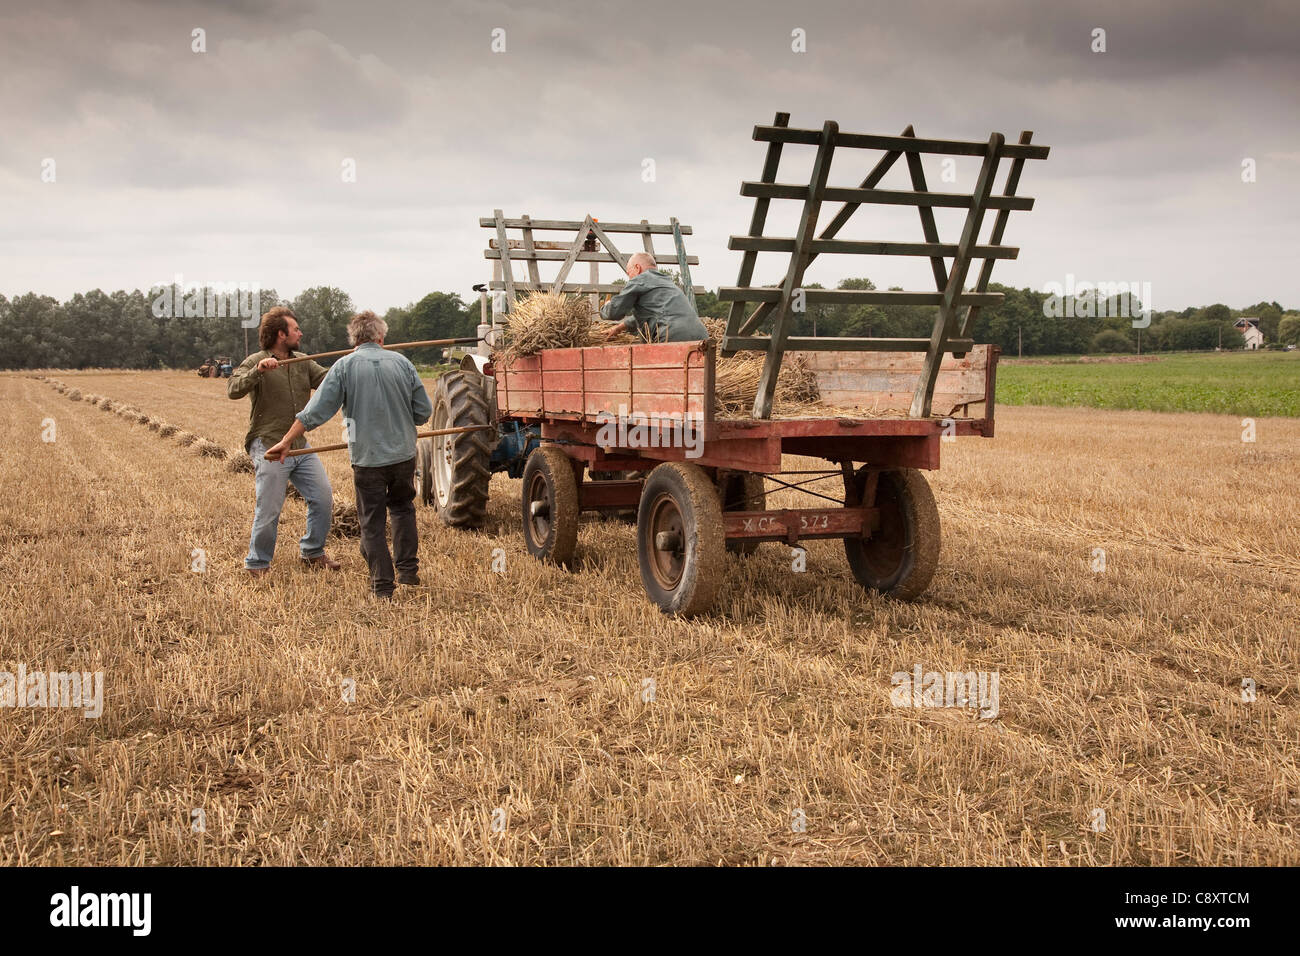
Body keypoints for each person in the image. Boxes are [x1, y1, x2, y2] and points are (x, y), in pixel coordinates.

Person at [265, 311, 432, 600]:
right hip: (404, 455)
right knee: (403, 510)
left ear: (354, 339)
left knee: (372, 520)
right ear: (381, 337)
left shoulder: (344, 366)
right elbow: (423, 412)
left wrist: (286, 441)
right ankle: (408, 572)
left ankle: (383, 585)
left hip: (368, 459)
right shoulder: (403, 363)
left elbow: (316, 411)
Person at [228, 308, 339, 577]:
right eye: (296, 329)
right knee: (270, 507)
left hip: (299, 445)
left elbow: (328, 381)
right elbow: (233, 389)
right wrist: (258, 371)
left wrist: (350, 367)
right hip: (269, 445)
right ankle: (257, 563)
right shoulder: (256, 360)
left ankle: (313, 552)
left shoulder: (303, 361)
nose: (300, 333)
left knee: (323, 498)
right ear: (281, 334)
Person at [599, 252, 709, 342]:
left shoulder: (639, 280)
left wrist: (605, 307)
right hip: (701, 337)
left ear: (637, 268)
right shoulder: (667, 282)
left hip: (672, 336)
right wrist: (619, 328)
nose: (629, 278)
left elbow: (614, 312)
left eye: (629, 273)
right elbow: (655, 314)